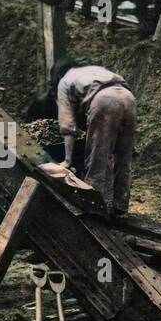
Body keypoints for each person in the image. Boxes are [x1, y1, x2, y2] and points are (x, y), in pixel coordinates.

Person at [55, 59, 138, 219]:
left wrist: (67, 160)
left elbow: (68, 126)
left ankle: (95, 208)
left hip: (104, 101)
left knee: (97, 159)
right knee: (123, 157)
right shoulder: (93, 70)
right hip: (128, 97)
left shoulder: (64, 82)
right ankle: (120, 207)